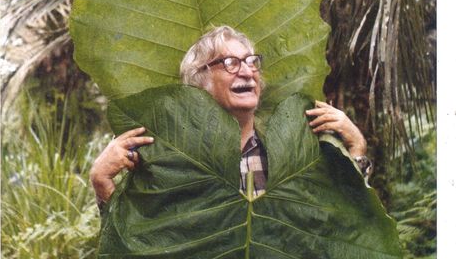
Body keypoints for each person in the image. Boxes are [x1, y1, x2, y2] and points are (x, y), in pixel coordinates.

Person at [90, 25, 370, 206]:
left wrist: (356, 150)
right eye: (230, 63)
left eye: (251, 62)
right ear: (200, 81)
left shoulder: (292, 151)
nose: (247, 71)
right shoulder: (171, 157)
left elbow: (340, 223)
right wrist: (102, 182)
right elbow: (140, 240)